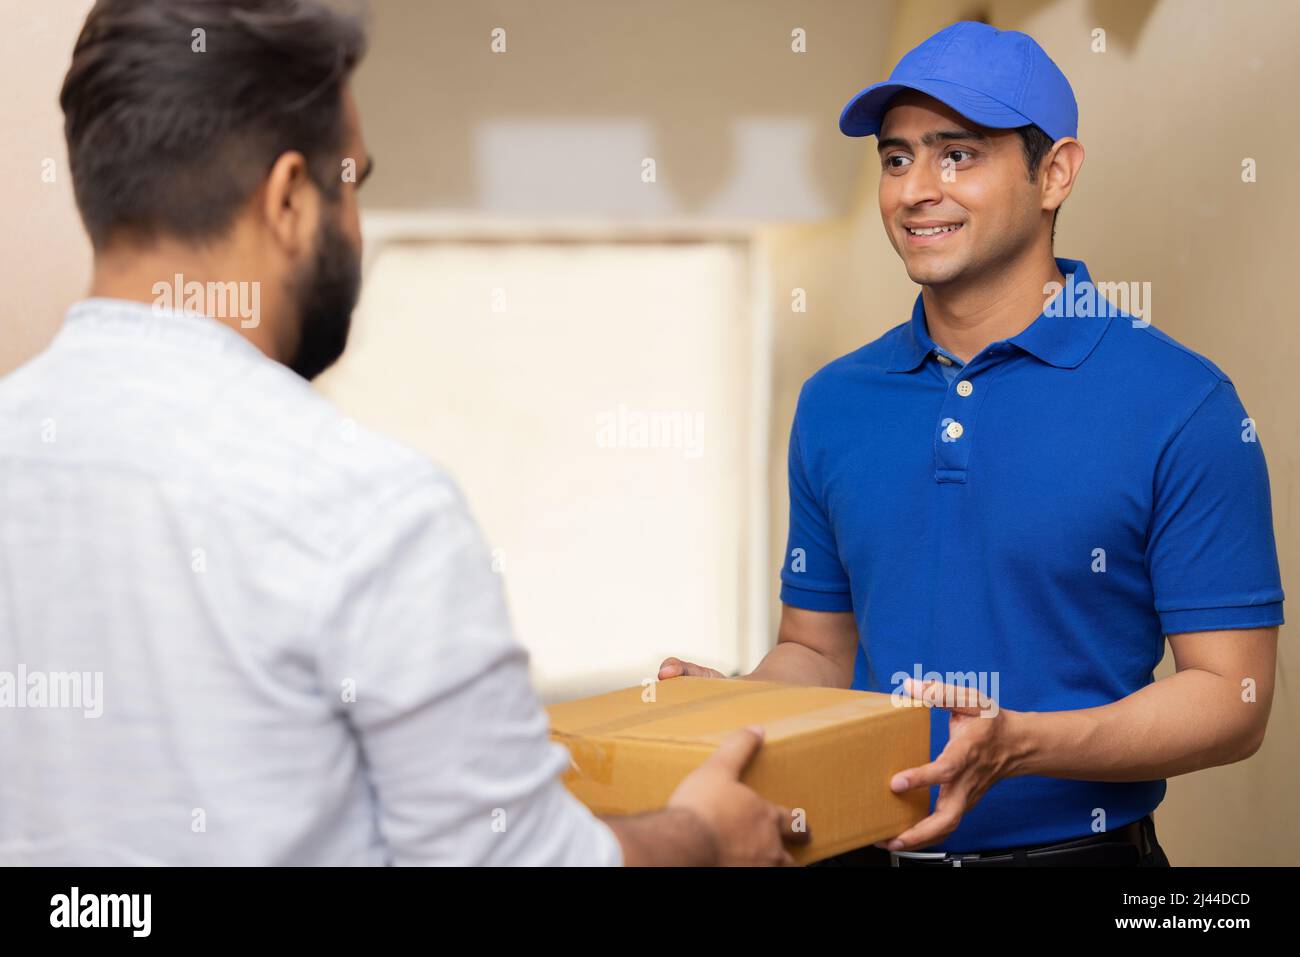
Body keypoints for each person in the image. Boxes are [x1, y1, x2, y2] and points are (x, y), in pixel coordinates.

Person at [0, 0, 807, 867]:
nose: (353, 222)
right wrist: (706, 836)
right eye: (353, 182)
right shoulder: (367, 504)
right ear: (288, 200)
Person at [660, 21, 1283, 867]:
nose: (918, 188)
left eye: (958, 155)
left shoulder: (1185, 404)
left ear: (1054, 172)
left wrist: (1020, 742)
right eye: (895, 158)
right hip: (855, 850)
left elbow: (1232, 700)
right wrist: (731, 705)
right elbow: (819, 647)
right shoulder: (836, 401)